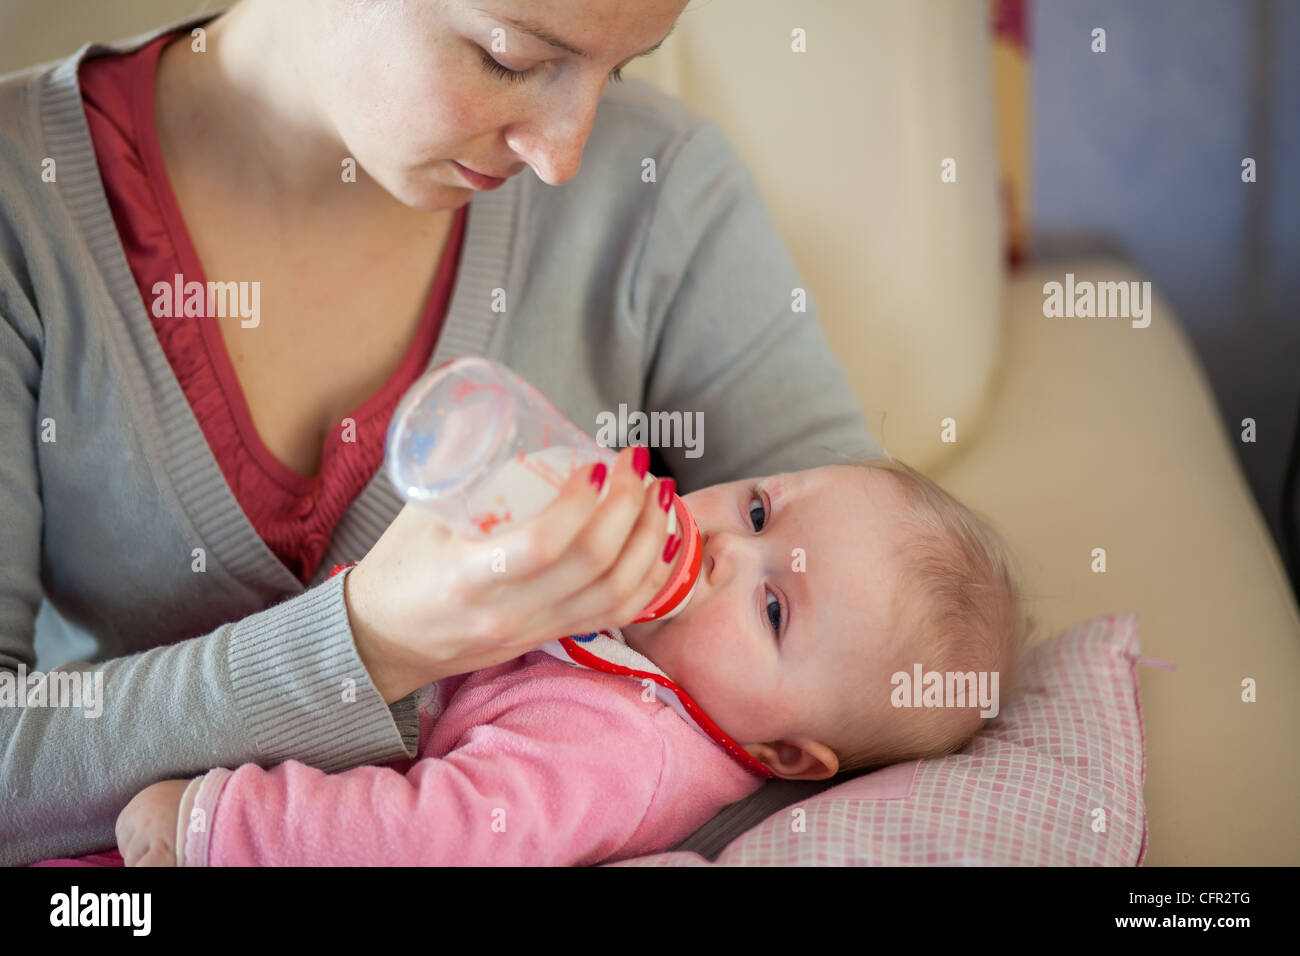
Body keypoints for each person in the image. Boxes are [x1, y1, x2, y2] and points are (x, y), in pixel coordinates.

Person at [0, 0, 879, 866]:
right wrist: (370, 637)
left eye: (619, 70)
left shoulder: (663, 188)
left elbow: (874, 672)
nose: (565, 155)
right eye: (510, 58)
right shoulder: (22, 201)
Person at [101, 456, 1028, 867]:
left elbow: (435, 840)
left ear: (786, 755)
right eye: (756, 511)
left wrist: (221, 827)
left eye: (774, 608)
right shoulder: (638, 633)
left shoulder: (624, 752)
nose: (722, 551)